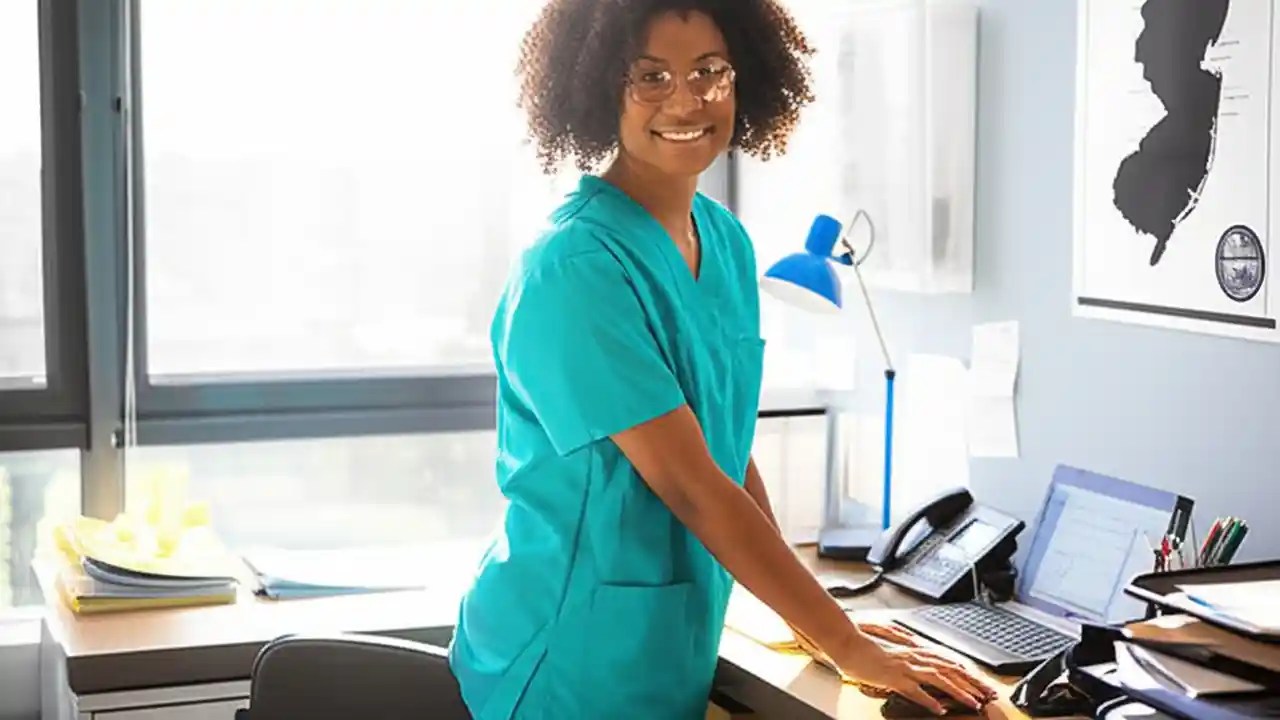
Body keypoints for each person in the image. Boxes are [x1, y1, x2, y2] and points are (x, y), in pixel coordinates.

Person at [448, 1, 998, 717]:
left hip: (663, 646)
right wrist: (846, 645)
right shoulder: (575, 269)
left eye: (711, 71)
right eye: (651, 77)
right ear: (595, 88)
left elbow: (724, 452)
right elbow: (691, 486)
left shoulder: (727, 243)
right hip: (562, 654)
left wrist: (821, 624)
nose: (688, 99)